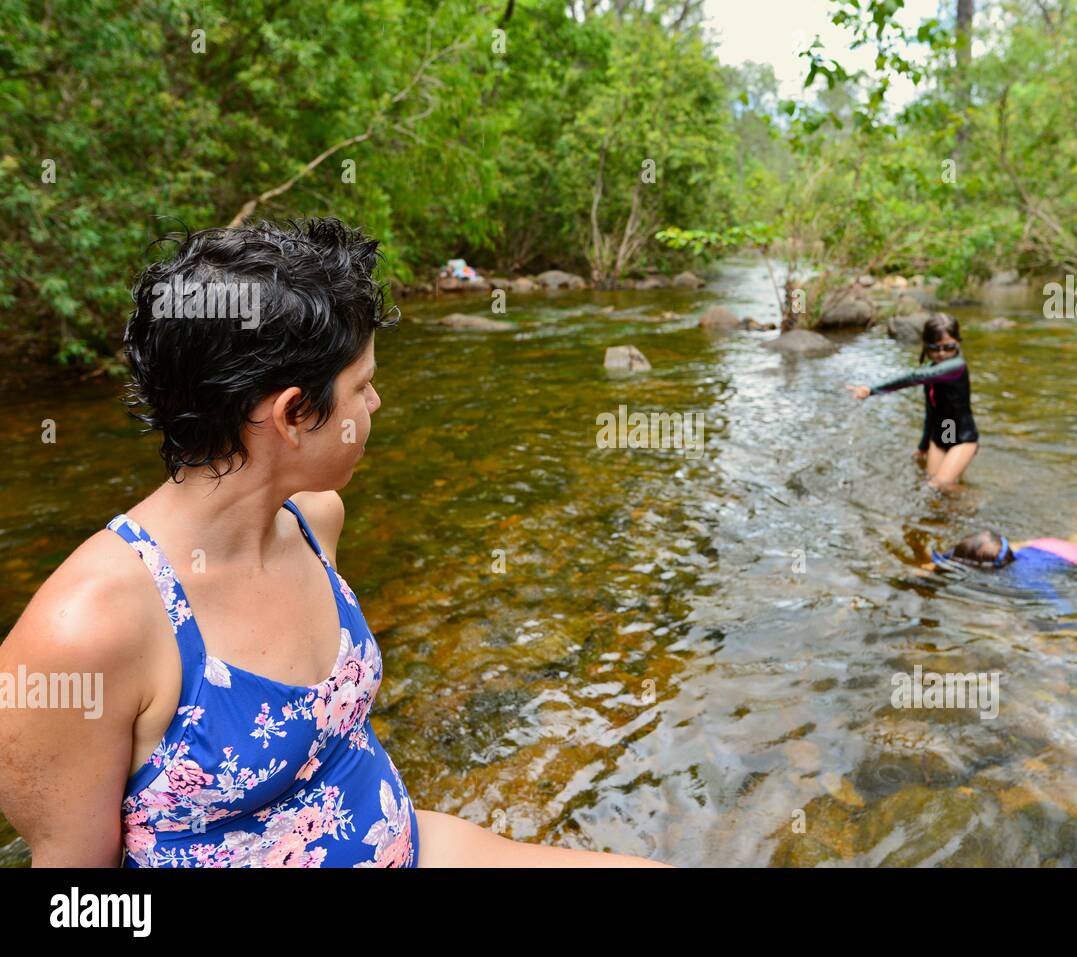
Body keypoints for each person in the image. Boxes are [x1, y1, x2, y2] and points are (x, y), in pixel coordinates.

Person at [0, 218, 667, 868]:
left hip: (406, 843)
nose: (376, 404)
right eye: (362, 385)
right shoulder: (82, 633)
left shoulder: (316, 521)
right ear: (293, 414)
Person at [846, 313, 978, 488]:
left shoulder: (955, 367)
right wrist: (923, 446)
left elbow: (915, 377)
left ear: (958, 342)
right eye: (934, 348)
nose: (941, 354)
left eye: (948, 347)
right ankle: (950, 510)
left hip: (962, 436)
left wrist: (872, 390)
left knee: (940, 484)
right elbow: (931, 412)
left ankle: (974, 502)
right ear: (925, 346)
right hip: (945, 430)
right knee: (931, 483)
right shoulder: (932, 370)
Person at [924, 529, 1077, 618]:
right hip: (1043, 545)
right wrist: (935, 564)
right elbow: (956, 554)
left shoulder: (1025, 578)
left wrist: (1072, 629)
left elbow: (1058, 603)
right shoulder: (999, 555)